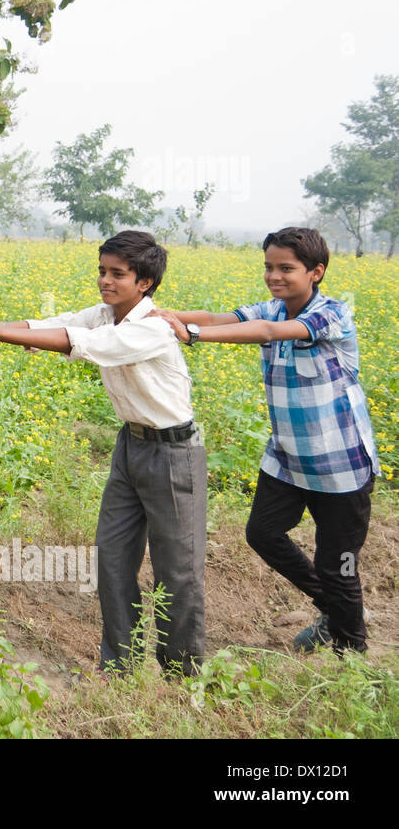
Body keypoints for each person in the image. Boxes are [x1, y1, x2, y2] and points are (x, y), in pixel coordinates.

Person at [0, 230, 207, 677]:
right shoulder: (103, 315)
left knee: (177, 571)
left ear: (146, 282)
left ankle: (182, 673)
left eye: (118, 274)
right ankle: (120, 666)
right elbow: (51, 326)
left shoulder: (150, 328)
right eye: (102, 271)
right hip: (130, 447)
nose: (105, 281)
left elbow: (87, 345)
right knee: (111, 559)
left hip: (174, 455)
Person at [152, 227, 378, 654]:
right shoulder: (271, 308)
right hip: (288, 459)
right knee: (263, 533)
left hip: (340, 466)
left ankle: (353, 654)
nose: (274, 276)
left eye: (286, 268)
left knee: (340, 566)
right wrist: (165, 315)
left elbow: (268, 333)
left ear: (316, 272)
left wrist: (193, 335)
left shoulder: (332, 314)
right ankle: (337, 610)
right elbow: (225, 318)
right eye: (269, 267)